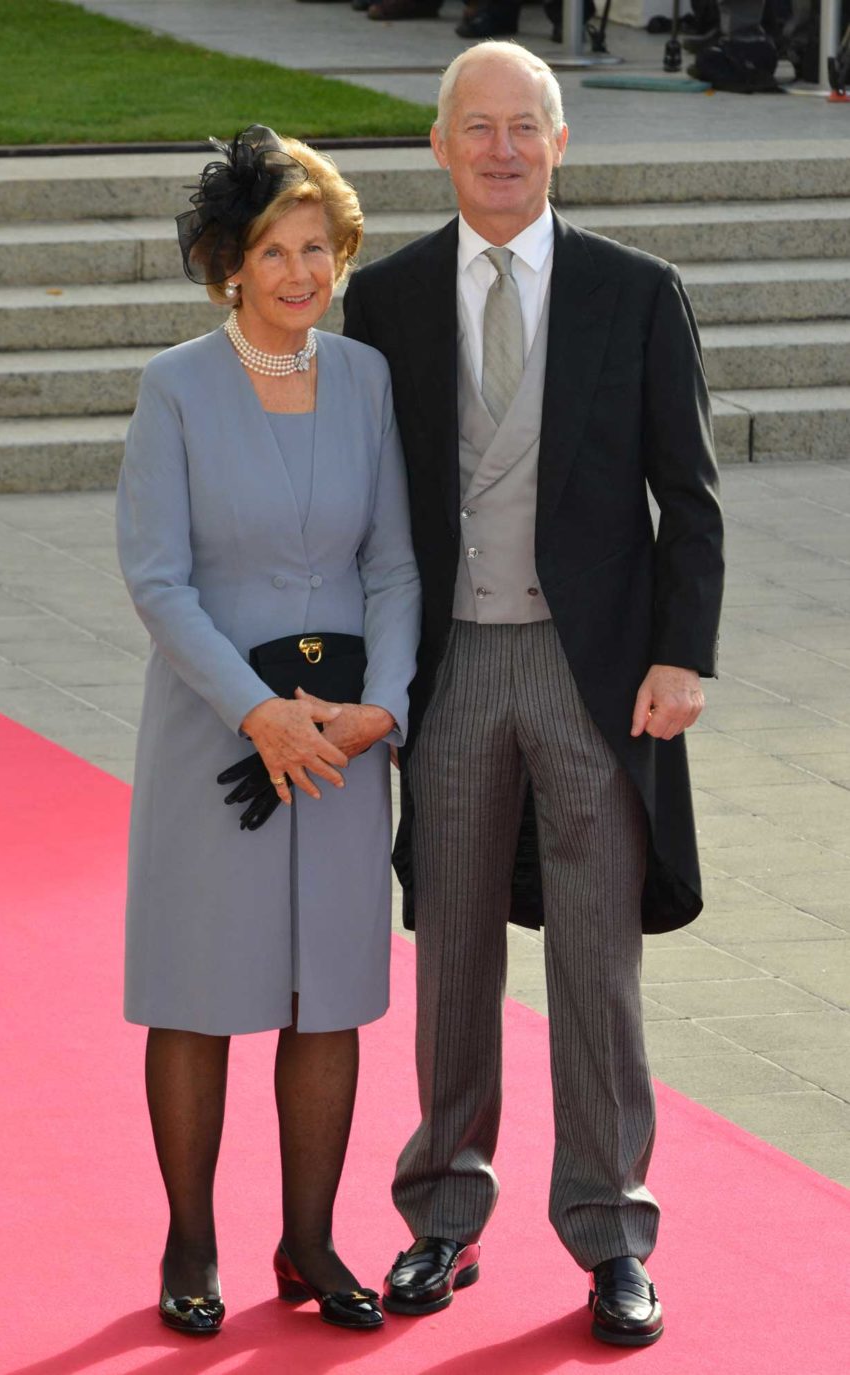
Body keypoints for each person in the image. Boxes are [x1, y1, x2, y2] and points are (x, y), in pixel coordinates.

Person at [343, 41, 724, 1347]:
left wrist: (684, 653)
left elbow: (696, 499)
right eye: (478, 128)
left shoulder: (636, 292)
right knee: (451, 947)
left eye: (528, 127)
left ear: (563, 145)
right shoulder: (386, 300)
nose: (503, 149)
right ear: (439, 146)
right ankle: (442, 1211)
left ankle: (613, 1225)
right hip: (450, 668)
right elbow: (368, 503)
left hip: (595, 672)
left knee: (595, 963)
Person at [117, 125, 421, 1336]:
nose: (302, 274)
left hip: (344, 748)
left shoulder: (365, 379)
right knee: (198, 991)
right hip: (216, 738)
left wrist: (379, 711)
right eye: (274, 250)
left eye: (320, 248)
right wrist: (255, 710)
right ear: (228, 265)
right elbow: (156, 577)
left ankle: (309, 1239)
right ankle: (191, 1239)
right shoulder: (175, 386)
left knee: (328, 994)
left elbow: (394, 566)